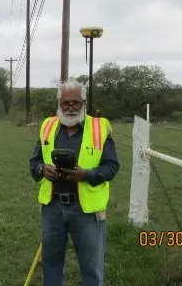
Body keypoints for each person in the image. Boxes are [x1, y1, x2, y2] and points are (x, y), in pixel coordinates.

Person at [29, 78, 120, 286]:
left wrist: (85, 175)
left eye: (75, 103)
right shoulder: (48, 125)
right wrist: (43, 169)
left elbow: (112, 167)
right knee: (51, 265)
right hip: (52, 208)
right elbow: (34, 162)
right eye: (65, 103)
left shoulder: (100, 128)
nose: (70, 108)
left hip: (86, 212)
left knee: (91, 268)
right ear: (59, 104)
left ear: (84, 102)